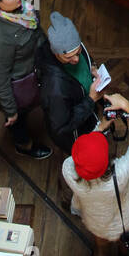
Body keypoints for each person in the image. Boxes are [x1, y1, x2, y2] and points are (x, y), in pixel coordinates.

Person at [63, 93, 129, 256]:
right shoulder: (121, 173)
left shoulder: (68, 170)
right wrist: (128, 107)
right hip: (126, 221)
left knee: (100, 249)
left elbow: (80, 156)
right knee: (126, 247)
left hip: (96, 222)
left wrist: (99, 128)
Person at [0, 0, 51, 161]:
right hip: (21, 82)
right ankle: (23, 145)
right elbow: (0, 78)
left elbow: (34, 30)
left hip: (37, 64)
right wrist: (10, 111)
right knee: (18, 118)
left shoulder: (18, 8)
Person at [36, 11, 103, 153]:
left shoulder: (74, 46)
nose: (76, 60)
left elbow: (85, 56)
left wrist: (92, 67)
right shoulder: (54, 89)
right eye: (69, 57)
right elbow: (63, 126)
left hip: (87, 112)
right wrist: (91, 100)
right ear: (55, 53)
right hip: (76, 135)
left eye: (77, 53)